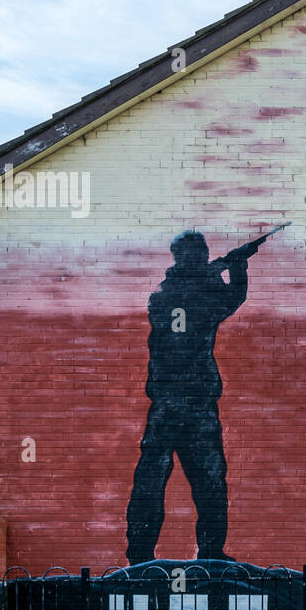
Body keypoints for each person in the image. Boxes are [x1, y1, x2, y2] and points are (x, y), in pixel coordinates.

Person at [125, 230, 256, 564]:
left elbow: (228, 301)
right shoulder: (167, 295)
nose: (199, 258)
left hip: (196, 406)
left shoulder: (185, 290)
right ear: (179, 257)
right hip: (173, 404)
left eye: (203, 253)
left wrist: (236, 267)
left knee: (211, 482)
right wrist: (225, 274)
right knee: (152, 481)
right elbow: (207, 311)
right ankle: (140, 553)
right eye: (193, 254)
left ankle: (210, 552)